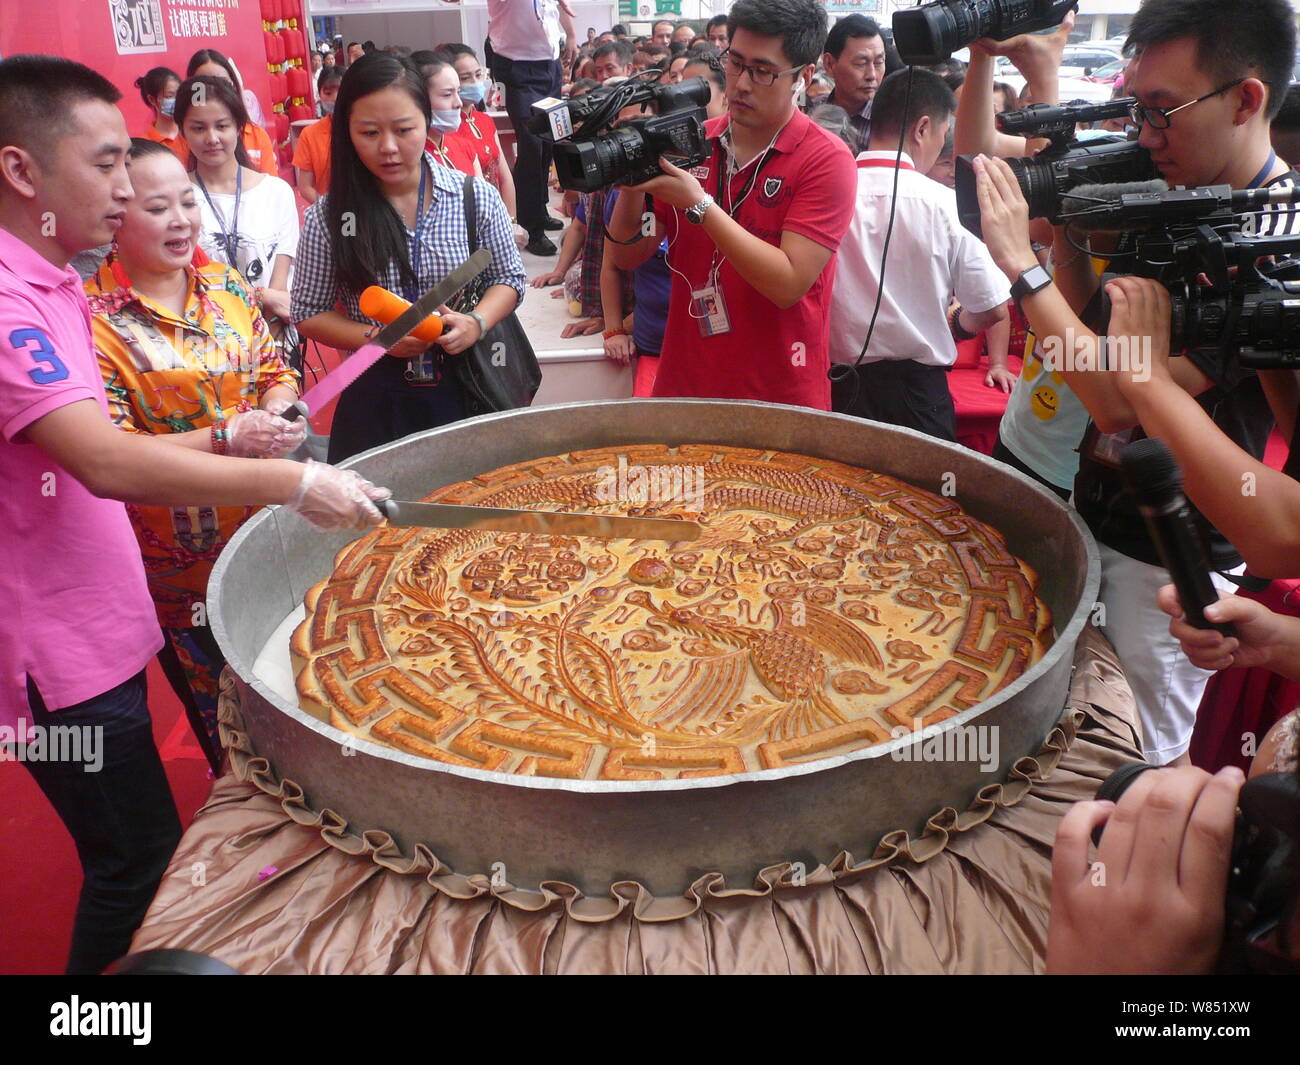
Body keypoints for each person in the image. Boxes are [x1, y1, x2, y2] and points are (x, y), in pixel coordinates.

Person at [0, 54, 385, 975]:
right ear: (22, 171)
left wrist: (228, 440)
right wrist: (295, 483)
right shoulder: (15, 296)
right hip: (56, 660)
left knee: (151, 851)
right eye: (105, 165)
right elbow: (100, 457)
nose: (128, 187)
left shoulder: (50, 280)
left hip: (104, 622)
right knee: (132, 866)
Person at [974, 0, 1300, 767]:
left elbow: (1118, 399)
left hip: (1170, 552)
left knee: (1130, 760)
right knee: (1053, 740)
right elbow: (1094, 330)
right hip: (1092, 501)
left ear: (1246, 100)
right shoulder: (1181, 182)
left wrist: (1022, 268)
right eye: (1136, 110)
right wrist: (1070, 226)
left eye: (1164, 112)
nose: (1146, 136)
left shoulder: (1274, 248)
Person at [85, 139, 306, 771]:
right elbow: (112, 452)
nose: (181, 219)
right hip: (182, 566)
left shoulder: (224, 282)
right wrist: (224, 436)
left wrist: (280, 407)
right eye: (158, 207)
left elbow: (273, 366)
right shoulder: (92, 322)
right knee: (229, 722)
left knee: (293, 680)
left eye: (187, 200)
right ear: (116, 218)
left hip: (270, 529)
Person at [607, 0, 856, 411]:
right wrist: (634, 183)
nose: (740, 84)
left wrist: (699, 205)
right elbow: (629, 252)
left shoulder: (826, 160)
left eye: (762, 71)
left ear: (805, 76)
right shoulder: (694, 143)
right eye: (735, 63)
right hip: (685, 388)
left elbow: (788, 283)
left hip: (779, 398)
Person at [291, 52, 525, 463]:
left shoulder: (473, 197)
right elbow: (309, 311)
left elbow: (509, 278)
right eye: (368, 133)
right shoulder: (330, 217)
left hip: (467, 384)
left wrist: (476, 322)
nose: (388, 148)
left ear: (426, 120)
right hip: (379, 395)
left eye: (403, 129)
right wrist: (378, 339)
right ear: (346, 131)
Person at [829, 69, 1011, 440]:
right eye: (944, 134)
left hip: (837, 387)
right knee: (923, 498)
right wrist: (957, 322)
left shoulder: (826, 196)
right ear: (923, 128)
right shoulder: (949, 206)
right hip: (917, 394)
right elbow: (993, 308)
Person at [175, 76, 299, 340]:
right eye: (198, 128)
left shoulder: (276, 192)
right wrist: (261, 296)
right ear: (182, 131)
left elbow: (281, 277)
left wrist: (267, 337)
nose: (212, 138)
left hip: (273, 338)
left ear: (239, 127)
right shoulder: (175, 197)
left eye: (222, 126)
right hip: (204, 341)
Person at [487, 0, 576, 255]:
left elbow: (557, 8)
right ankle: (530, 228)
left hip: (549, 62)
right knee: (532, 142)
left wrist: (570, 34)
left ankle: (540, 208)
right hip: (515, 64)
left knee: (550, 138)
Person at [443, 45, 518, 221]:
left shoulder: (485, 120)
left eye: (478, 75)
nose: (475, 83)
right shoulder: (448, 128)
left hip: (499, 213)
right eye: (465, 78)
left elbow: (505, 177)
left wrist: (511, 220)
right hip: (471, 218)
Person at [186, 50, 276, 170]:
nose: (213, 139)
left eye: (223, 83)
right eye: (204, 85)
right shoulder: (182, 143)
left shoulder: (256, 135)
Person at [821, 14, 887, 154]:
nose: (872, 75)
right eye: (861, 63)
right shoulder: (811, 114)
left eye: (878, 63)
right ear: (829, 64)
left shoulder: (892, 122)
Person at [411, 52, 481, 177]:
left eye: (458, 92)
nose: (458, 103)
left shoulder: (465, 146)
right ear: (419, 98)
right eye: (447, 95)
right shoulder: (409, 156)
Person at [294, 67, 342, 204]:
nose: (335, 98)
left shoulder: (367, 129)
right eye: (328, 93)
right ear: (319, 95)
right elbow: (305, 187)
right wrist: (328, 209)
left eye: (342, 91)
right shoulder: (310, 135)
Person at [135, 67, 184, 160]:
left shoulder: (191, 134)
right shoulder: (144, 145)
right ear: (152, 99)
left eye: (179, 94)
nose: (177, 101)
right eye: (169, 96)